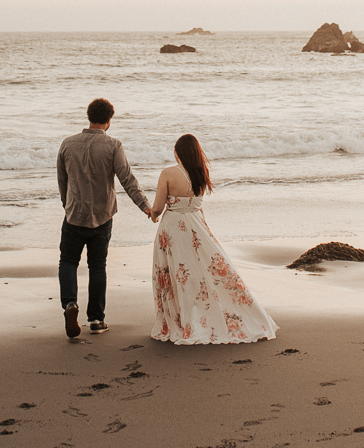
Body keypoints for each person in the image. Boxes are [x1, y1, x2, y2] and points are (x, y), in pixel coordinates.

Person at [148, 133, 278, 345]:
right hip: (197, 228)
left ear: (177, 152)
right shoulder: (201, 173)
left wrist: (152, 215)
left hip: (173, 231)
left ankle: (182, 321)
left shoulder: (168, 173)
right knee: (203, 273)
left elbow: (158, 207)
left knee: (176, 274)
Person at [56, 98, 153, 338]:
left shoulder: (67, 144)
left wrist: (67, 205)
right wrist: (146, 207)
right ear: (109, 121)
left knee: (68, 262)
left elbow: (62, 181)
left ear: (88, 117)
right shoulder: (113, 146)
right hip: (102, 216)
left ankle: (70, 304)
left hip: (74, 215)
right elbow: (126, 178)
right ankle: (97, 319)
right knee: (97, 265)